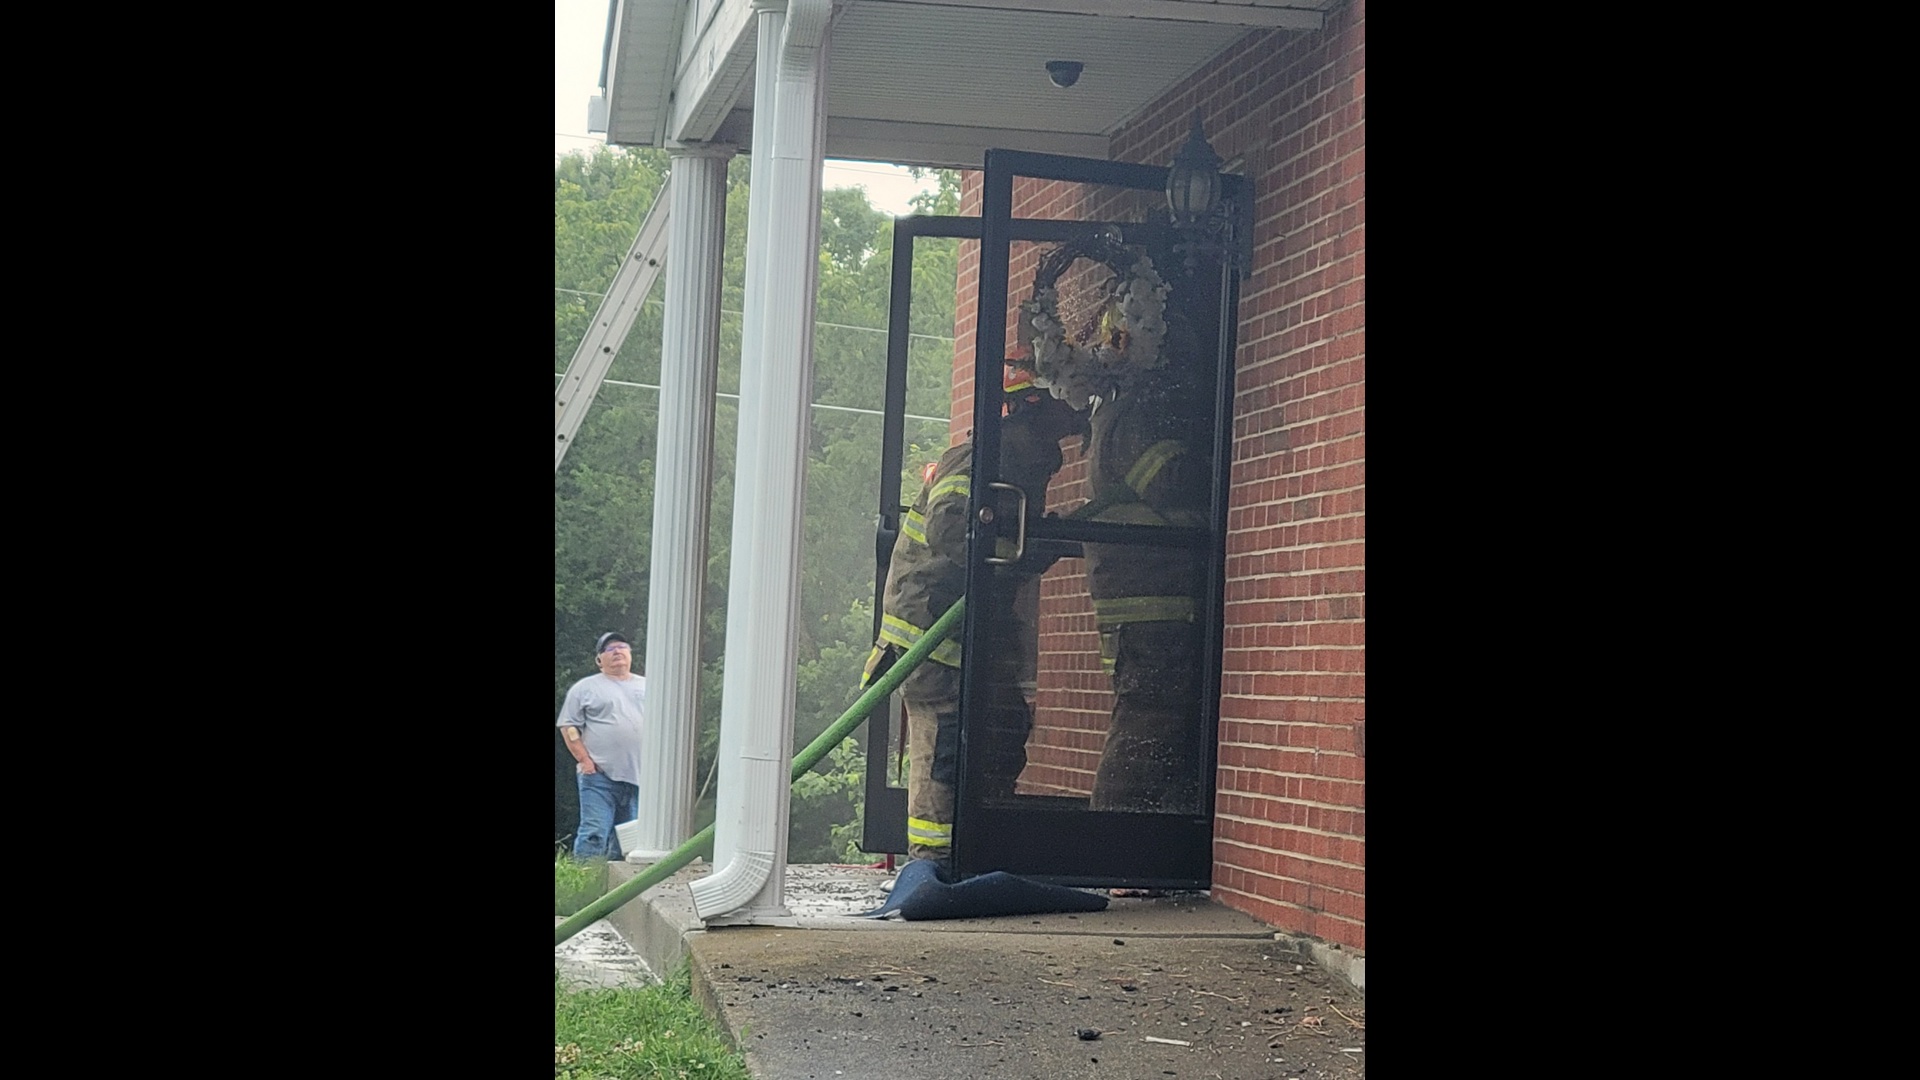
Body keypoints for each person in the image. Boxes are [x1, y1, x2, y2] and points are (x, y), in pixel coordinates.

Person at [863, 362, 1085, 875]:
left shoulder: (1022, 460)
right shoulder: (980, 458)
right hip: (933, 636)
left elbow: (1010, 544)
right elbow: (951, 528)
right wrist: (1020, 546)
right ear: (1031, 409)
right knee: (946, 746)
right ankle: (935, 865)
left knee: (1004, 729)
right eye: (1057, 420)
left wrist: (1040, 541)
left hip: (975, 637)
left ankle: (979, 847)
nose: (1059, 446)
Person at [1081, 355, 1212, 818]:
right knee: (1144, 726)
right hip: (1151, 606)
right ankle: (1115, 842)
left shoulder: (1119, 416)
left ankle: (1139, 843)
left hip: (1156, 603)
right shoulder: (1136, 419)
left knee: (1162, 727)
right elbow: (1170, 481)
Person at [557, 631, 648, 860]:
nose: (617, 651)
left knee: (628, 840)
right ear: (599, 660)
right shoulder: (585, 688)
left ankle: (617, 887)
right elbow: (569, 726)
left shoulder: (648, 686)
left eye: (622, 647)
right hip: (599, 776)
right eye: (609, 649)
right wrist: (585, 760)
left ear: (630, 654)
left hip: (640, 776)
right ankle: (585, 880)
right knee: (594, 832)